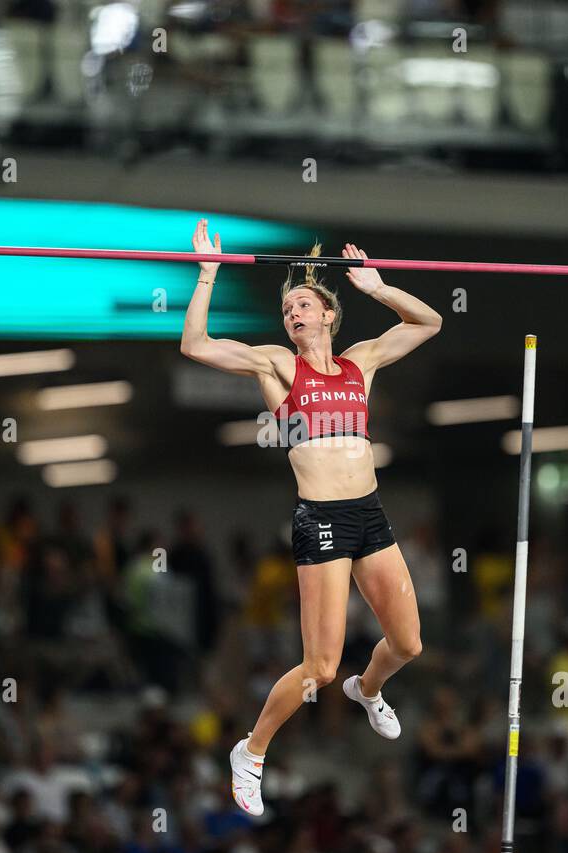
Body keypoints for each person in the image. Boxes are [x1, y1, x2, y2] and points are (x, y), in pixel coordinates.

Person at [180, 217, 441, 816]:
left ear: (329, 314)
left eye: (304, 304)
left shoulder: (361, 362)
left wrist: (378, 287)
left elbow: (429, 322)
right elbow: (194, 345)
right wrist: (207, 275)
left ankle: (368, 688)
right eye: (288, 308)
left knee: (408, 642)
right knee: (319, 666)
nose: (294, 313)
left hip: (370, 516)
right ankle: (251, 751)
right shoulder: (277, 365)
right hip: (321, 520)